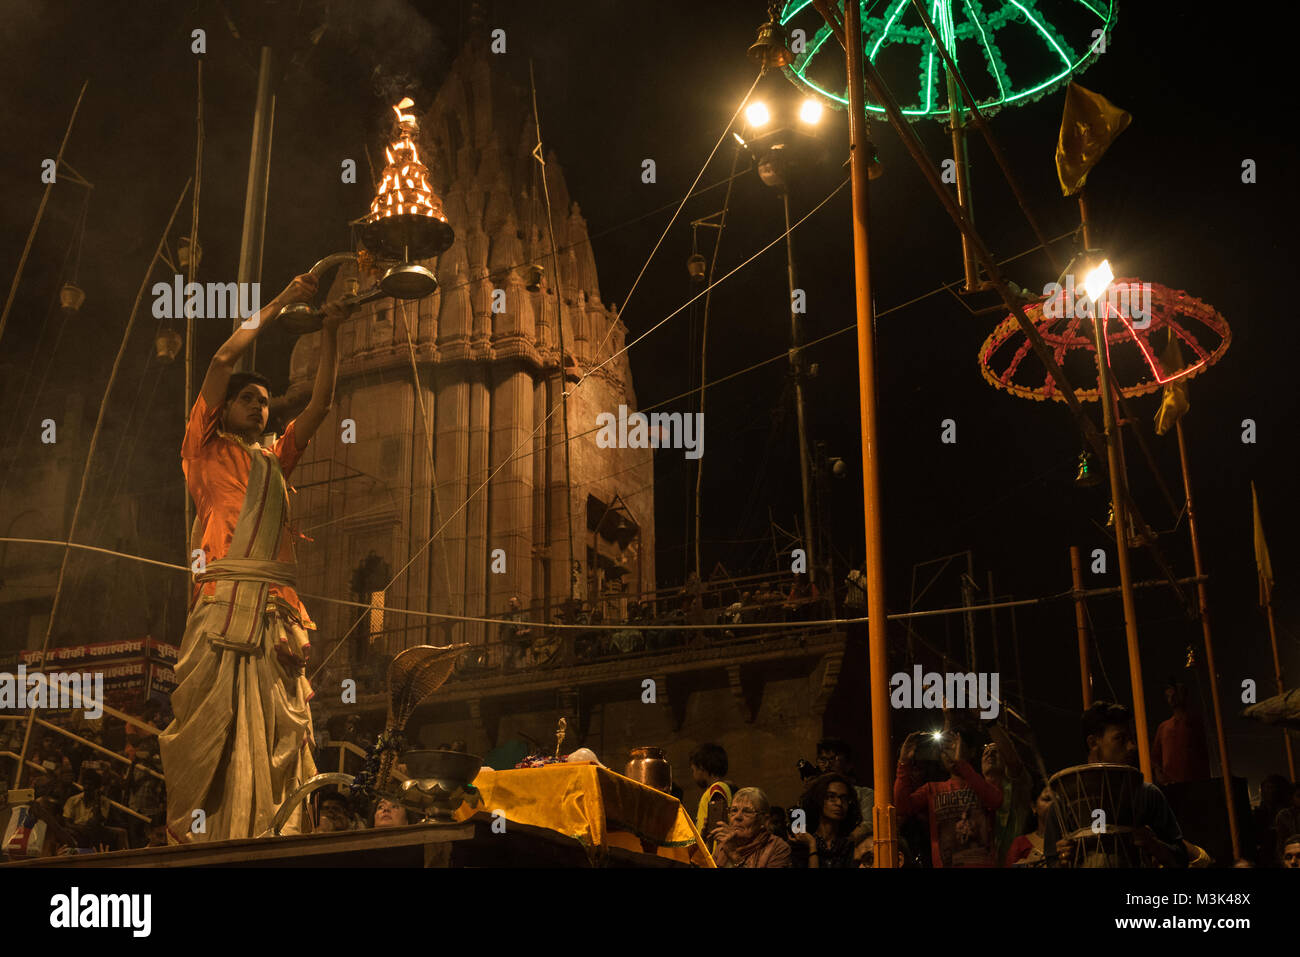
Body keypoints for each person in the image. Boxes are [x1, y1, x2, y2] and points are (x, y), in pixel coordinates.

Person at [159, 272, 354, 844]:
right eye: (250, 399)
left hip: (276, 613)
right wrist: (283, 303)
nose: (261, 408)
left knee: (276, 728)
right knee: (212, 729)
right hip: (223, 605)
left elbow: (320, 405)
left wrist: (333, 334)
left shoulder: (273, 462)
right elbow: (222, 358)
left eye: (267, 403)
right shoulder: (204, 448)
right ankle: (211, 837)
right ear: (225, 409)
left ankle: (272, 832)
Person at [1045, 701, 1188, 868]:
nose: (1132, 746)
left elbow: (1181, 859)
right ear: (1093, 743)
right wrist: (1061, 861)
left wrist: (1154, 845)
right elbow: (1052, 862)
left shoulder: (1147, 794)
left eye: (1131, 738)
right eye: (1120, 738)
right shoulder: (1063, 801)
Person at [895, 729, 1002, 867]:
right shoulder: (932, 789)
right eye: (944, 749)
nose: (949, 754)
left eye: (954, 747)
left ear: (971, 751)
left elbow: (996, 801)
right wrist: (903, 763)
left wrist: (962, 764)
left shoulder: (981, 785)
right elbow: (902, 807)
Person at [982, 725, 1032, 866]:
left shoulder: (1017, 786)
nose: (989, 754)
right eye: (985, 752)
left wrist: (989, 720)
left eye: (996, 751)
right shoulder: (973, 793)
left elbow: (1013, 761)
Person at [792, 773, 862, 867]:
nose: (839, 803)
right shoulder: (803, 842)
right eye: (831, 797)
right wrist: (812, 846)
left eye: (844, 798)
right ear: (818, 799)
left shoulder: (851, 845)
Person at [711, 788, 792, 868]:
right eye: (734, 810)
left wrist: (734, 855)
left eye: (747, 811)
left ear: (764, 820)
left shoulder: (779, 848)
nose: (738, 817)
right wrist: (706, 843)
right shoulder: (723, 846)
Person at [1151, 681, 1209, 784]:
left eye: (1175, 695)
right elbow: (1155, 757)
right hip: (1171, 783)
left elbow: (1202, 753)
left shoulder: (1193, 722)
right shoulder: (1164, 727)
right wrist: (1159, 775)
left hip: (1193, 782)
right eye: (1169, 696)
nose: (1172, 698)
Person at [689, 743, 734, 852]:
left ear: (702, 768)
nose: (693, 775)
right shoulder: (716, 789)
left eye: (693, 770)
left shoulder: (716, 789)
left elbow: (717, 829)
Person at [1006, 785, 1053, 866]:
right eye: (1047, 799)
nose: (1053, 804)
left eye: (1058, 799)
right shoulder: (1020, 844)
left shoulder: (1071, 842)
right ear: (1034, 806)